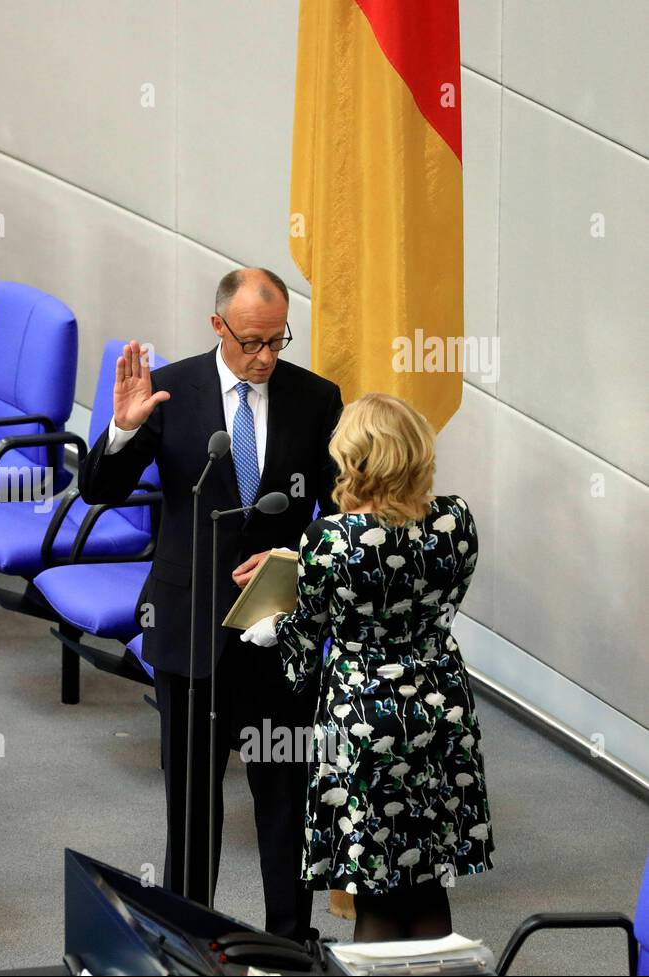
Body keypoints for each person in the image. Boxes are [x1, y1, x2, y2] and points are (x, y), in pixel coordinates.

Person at [79, 267, 342, 940]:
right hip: (190, 631)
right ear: (217, 326)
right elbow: (99, 491)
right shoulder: (173, 393)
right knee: (192, 811)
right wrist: (118, 428)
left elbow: (342, 515)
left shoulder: (316, 399)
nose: (264, 358)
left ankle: (290, 946)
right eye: (250, 342)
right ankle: (188, 941)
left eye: (276, 342)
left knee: (284, 804)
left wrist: (298, 557)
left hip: (278, 636)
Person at [242, 392, 494, 941]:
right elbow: (440, 597)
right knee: (428, 880)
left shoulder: (329, 539)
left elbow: (306, 642)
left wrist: (271, 629)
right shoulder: (456, 521)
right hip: (440, 708)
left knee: (375, 891)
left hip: (365, 719)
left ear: (355, 460)